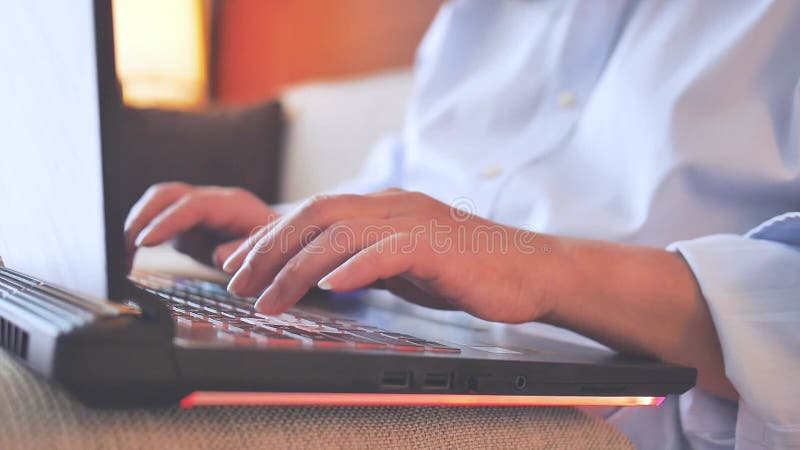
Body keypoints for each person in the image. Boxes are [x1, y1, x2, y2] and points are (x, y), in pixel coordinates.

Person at [124, 1, 800, 448]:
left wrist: (539, 267)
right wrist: (289, 234)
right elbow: (415, 185)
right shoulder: (477, 17)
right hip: (406, 334)